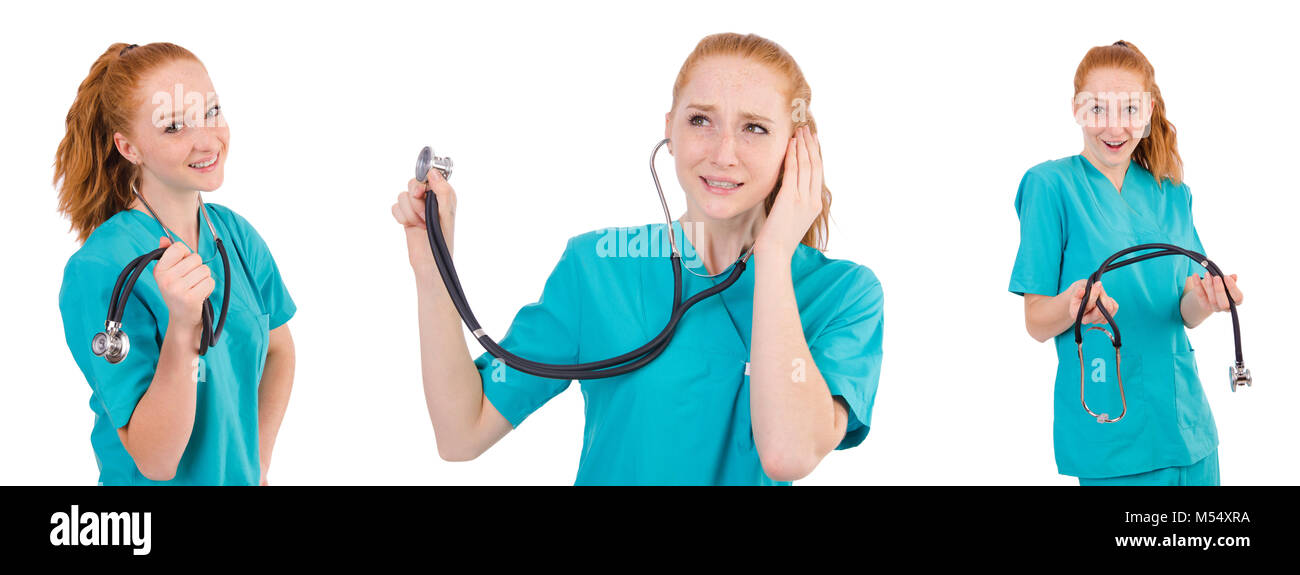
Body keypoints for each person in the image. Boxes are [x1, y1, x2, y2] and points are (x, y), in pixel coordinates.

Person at [392, 33, 883, 485]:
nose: (723, 153)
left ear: (797, 149)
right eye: (700, 120)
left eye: (754, 128)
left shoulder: (842, 295)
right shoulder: (598, 268)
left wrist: (774, 255)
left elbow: (789, 454)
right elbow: (462, 431)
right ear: (669, 130)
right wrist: (434, 271)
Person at [56, 43, 297, 485]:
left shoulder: (235, 237)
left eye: (211, 111)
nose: (206, 139)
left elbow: (281, 348)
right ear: (128, 148)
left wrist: (257, 464)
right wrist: (183, 327)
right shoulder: (101, 268)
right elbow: (156, 461)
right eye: (173, 127)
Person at [1009, 41, 1244, 486]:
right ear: (1076, 110)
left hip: (1188, 429)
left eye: (1130, 109)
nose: (1113, 126)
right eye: (1097, 109)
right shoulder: (1050, 187)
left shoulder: (1172, 192)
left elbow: (1184, 313)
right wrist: (1072, 306)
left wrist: (1209, 299)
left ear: (1149, 109)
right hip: (1113, 435)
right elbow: (1037, 321)